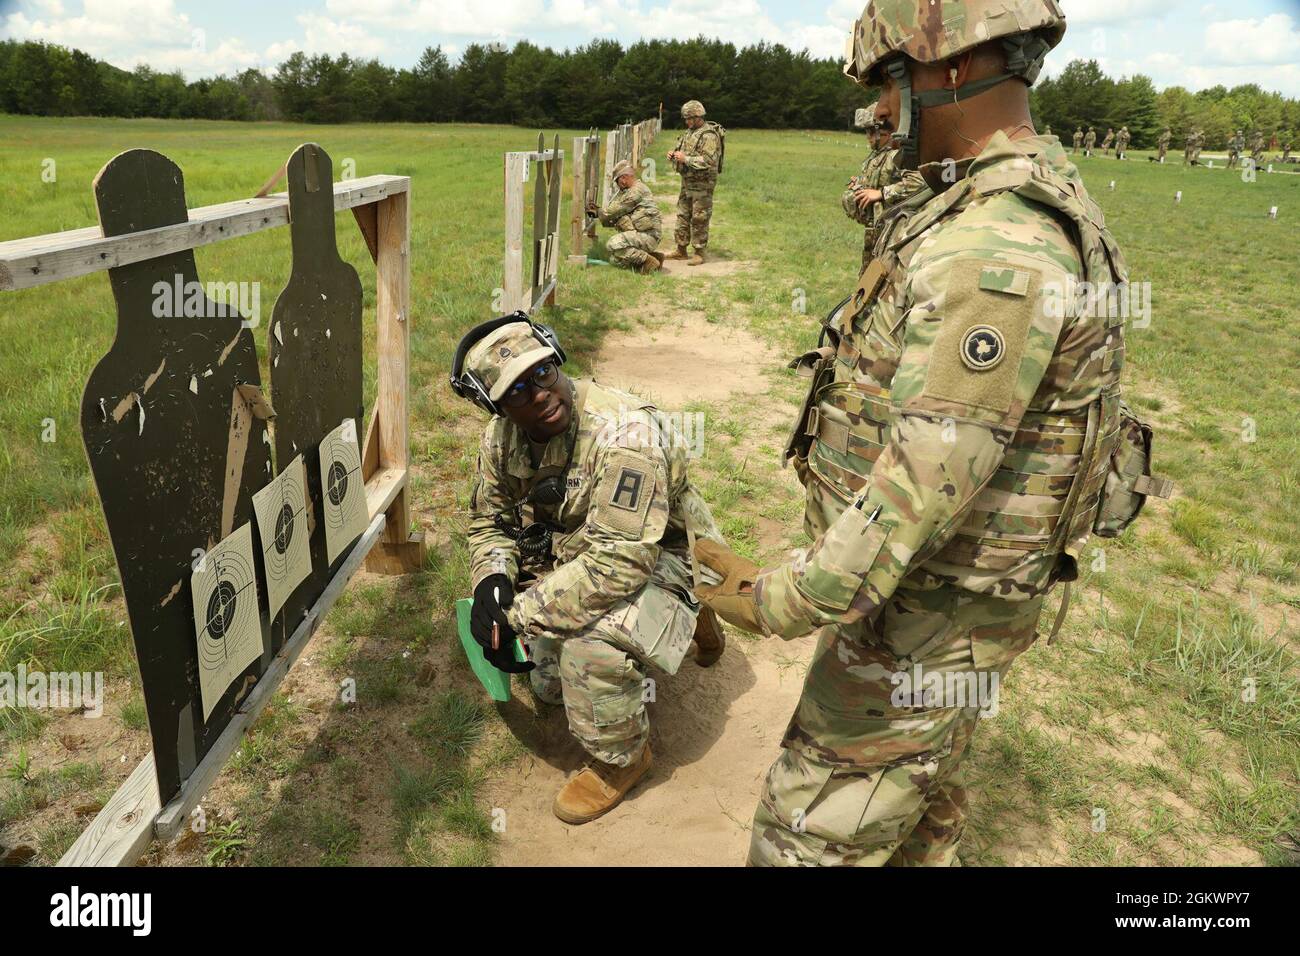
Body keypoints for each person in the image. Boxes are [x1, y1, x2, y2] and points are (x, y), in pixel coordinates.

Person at [696, 0, 1161, 867]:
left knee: (808, 835)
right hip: (929, 595)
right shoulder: (986, 198)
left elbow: (928, 475)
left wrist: (777, 597)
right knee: (920, 788)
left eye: (886, 80)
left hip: (929, 606)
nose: (875, 109)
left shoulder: (997, 244)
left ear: (950, 68)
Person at [456, 317, 727, 824]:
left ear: (556, 360)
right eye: (515, 390)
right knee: (549, 686)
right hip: (585, 547)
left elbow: (619, 565)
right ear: (496, 407)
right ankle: (677, 627)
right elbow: (490, 521)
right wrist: (492, 580)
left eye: (541, 373)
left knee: (586, 648)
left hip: (662, 555)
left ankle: (620, 760)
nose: (538, 394)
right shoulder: (500, 439)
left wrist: (518, 616)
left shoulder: (625, 434)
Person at [842, 102, 929, 270]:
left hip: (895, 231)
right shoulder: (877, 156)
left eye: (871, 132)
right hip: (876, 231)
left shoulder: (898, 155)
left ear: (887, 133)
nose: (868, 136)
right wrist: (860, 185)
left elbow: (920, 181)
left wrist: (882, 193)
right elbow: (878, 182)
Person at [665, 100, 724, 266]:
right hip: (687, 181)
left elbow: (709, 160)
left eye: (690, 118)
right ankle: (681, 250)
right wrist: (674, 154)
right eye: (686, 118)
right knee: (683, 214)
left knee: (699, 217)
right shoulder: (689, 132)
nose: (687, 121)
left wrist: (686, 159)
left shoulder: (709, 135)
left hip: (702, 184)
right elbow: (683, 151)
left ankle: (699, 252)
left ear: (699, 117)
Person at [589, 160, 663, 275]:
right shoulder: (634, 189)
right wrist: (598, 213)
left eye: (617, 181)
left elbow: (612, 212)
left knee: (613, 244)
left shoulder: (635, 192)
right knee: (615, 260)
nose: (618, 185)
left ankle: (648, 261)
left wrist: (597, 211)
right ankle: (653, 257)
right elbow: (613, 218)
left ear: (623, 178)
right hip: (647, 235)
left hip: (649, 237)